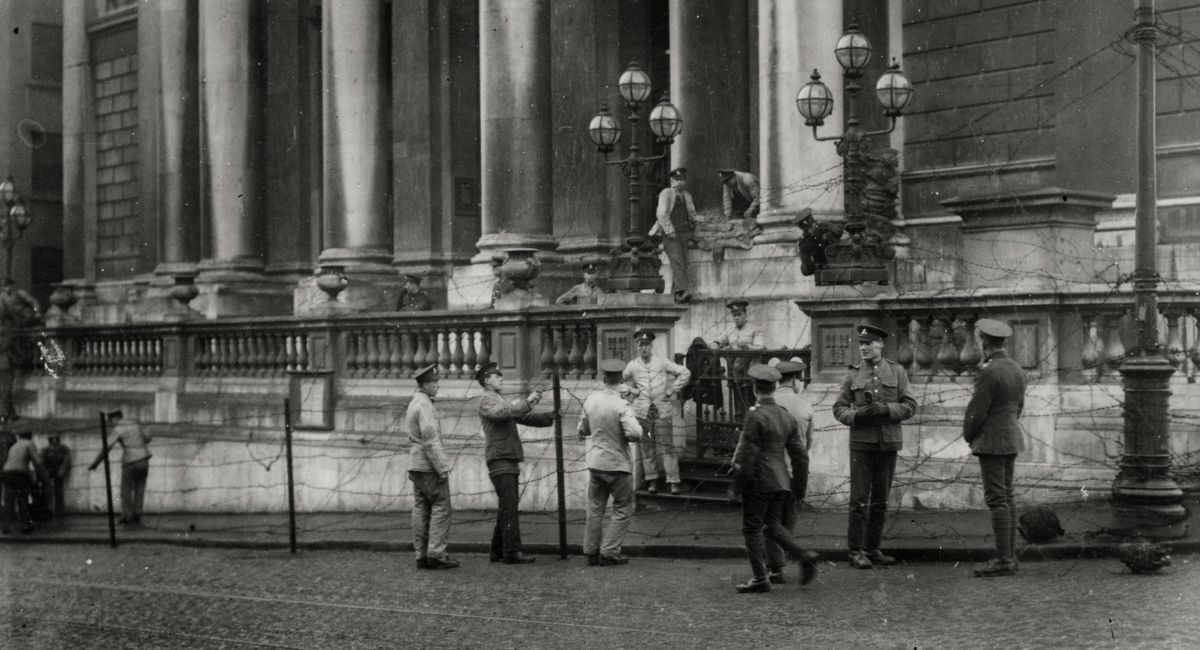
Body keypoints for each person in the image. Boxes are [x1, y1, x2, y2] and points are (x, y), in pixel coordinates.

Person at [832, 325, 918, 569]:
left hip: (887, 443)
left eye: (868, 343)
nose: (863, 347)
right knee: (859, 499)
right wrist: (857, 416)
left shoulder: (897, 371)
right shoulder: (853, 375)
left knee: (880, 500)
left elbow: (910, 405)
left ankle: (872, 549)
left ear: (881, 344)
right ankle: (855, 551)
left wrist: (886, 410)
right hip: (861, 444)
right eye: (861, 343)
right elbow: (838, 408)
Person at [730, 364, 820, 593]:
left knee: (751, 529)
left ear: (754, 388)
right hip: (782, 482)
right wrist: (798, 489)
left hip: (759, 481)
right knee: (771, 526)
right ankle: (803, 553)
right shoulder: (785, 416)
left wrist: (737, 487)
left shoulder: (755, 415)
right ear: (773, 387)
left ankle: (760, 578)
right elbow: (801, 457)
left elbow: (748, 453)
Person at [963, 318, 1027, 578]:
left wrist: (969, 435)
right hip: (1010, 437)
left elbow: (976, 412)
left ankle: (1003, 559)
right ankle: (1009, 556)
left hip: (991, 441)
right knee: (1007, 497)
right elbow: (1019, 407)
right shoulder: (1016, 368)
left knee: (997, 499)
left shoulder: (987, 371)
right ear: (1005, 343)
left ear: (985, 343)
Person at [476, 361, 554, 564]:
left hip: (505, 457)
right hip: (500, 458)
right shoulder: (487, 400)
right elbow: (505, 414)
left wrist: (549, 416)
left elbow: (521, 417)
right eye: (497, 376)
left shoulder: (497, 399)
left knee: (506, 506)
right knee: (509, 507)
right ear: (486, 380)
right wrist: (528, 400)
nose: (501, 378)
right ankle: (511, 551)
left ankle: (498, 551)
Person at [577, 359, 643, 566]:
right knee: (622, 508)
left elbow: (583, 430)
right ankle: (610, 551)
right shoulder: (621, 405)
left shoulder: (591, 400)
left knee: (595, 509)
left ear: (604, 378)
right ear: (621, 379)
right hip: (618, 464)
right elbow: (635, 433)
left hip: (596, 463)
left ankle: (591, 551)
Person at [623, 330, 690, 495]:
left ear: (651, 346)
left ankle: (673, 481)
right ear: (637, 346)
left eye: (646, 345)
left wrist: (672, 390)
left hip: (662, 410)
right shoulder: (633, 365)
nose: (643, 348)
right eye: (640, 345)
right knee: (647, 448)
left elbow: (685, 372)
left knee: (667, 446)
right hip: (641, 411)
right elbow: (618, 381)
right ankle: (652, 481)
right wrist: (632, 390)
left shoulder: (662, 362)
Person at [763, 360, 812, 583]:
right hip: (793, 470)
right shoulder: (804, 406)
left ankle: (775, 568)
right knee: (787, 519)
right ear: (795, 380)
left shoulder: (766, 404)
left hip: (770, 471)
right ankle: (786, 557)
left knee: (770, 520)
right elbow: (807, 444)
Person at [407, 363, 459, 570]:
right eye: (435, 382)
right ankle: (436, 553)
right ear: (425, 384)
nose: (438, 386)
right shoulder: (426, 405)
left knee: (421, 508)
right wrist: (442, 467)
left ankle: (421, 554)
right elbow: (430, 439)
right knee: (441, 507)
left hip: (415, 464)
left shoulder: (414, 402)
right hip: (428, 465)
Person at [88, 410, 152, 525]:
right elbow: (148, 438)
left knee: (125, 490)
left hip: (130, 461)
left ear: (115, 418)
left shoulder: (118, 429)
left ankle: (127, 516)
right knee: (140, 488)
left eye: (110, 421)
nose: (111, 424)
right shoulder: (135, 423)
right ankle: (137, 515)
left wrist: (96, 462)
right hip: (144, 459)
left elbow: (106, 447)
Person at [709, 300, 766, 416]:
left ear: (745, 314)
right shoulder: (730, 330)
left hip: (751, 371)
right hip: (735, 370)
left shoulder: (755, 329)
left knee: (751, 396)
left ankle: (751, 419)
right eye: (734, 315)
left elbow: (760, 348)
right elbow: (717, 341)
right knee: (737, 396)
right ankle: (738, 422)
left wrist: (747, 347)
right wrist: (715, 344)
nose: (736, 318)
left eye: (739, 315)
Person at [652, 167, 697, 304]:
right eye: (676, 180)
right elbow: (661, 213)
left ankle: (676, 293)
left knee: (682, 261)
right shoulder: (666, 193)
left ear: (684, 181)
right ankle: (683, 290)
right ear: (671, 180)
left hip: (684, 233)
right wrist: (669, 230)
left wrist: (696, 223)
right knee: (677, 260)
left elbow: (692, 214)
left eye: (681, 180)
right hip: (670, 234)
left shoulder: (687, 196)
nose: (678, 183)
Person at [1, 429, 45, 534]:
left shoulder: (15, 445)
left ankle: (5, 527)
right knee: (22, 500)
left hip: (7, 473)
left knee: (8, 502)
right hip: (19, 474)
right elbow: (37, 462)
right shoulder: (29, 443)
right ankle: (25, 526)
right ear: (30, 436)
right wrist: (43, 476)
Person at [41, 434, 71, 517]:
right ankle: (49, 509)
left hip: (57, 471)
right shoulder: (46, 449)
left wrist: (62, 471)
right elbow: (43, 461)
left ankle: (58, 511)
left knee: (58, 491)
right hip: (50, 471)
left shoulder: (63, 449)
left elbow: (66, 460)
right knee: (48, 491)